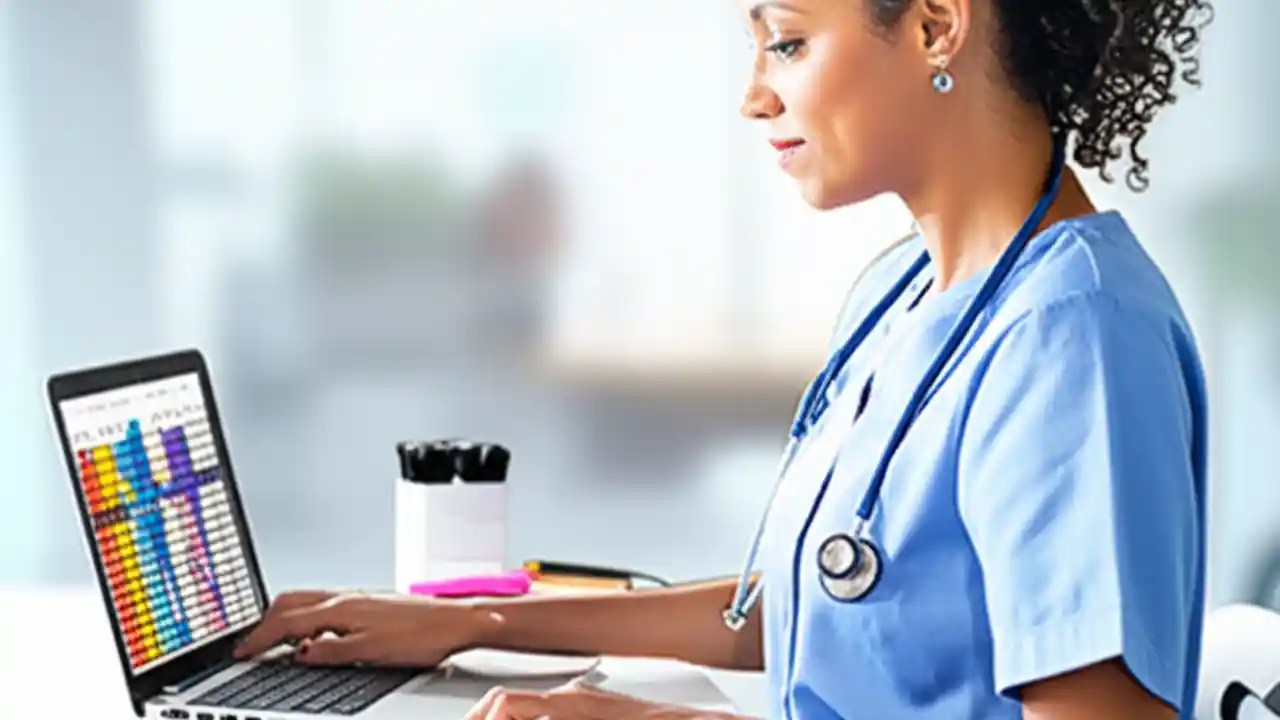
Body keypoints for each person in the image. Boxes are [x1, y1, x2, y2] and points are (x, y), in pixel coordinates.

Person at [235, 0, 1216, 717]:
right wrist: (473, 624)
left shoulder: (1074, 333)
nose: (753, 97)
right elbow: (793, 614)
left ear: (933, 27)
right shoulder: (901, 289)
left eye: (784, 42)